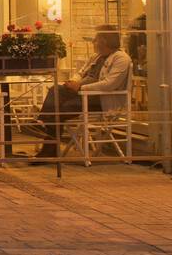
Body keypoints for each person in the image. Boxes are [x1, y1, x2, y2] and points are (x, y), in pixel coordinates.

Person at [29, 25, 131, 163]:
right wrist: (74, 82)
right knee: (55, 90)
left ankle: (46, 143)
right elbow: (81, 72)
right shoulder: (96, 56)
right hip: (82, 94)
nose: (93, 42)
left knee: (60, 109)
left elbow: (109, 84)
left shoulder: (121, 58)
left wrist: (81, 88)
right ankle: (44, 129)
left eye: (96, 39)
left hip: (100, 99)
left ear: (104, 41)